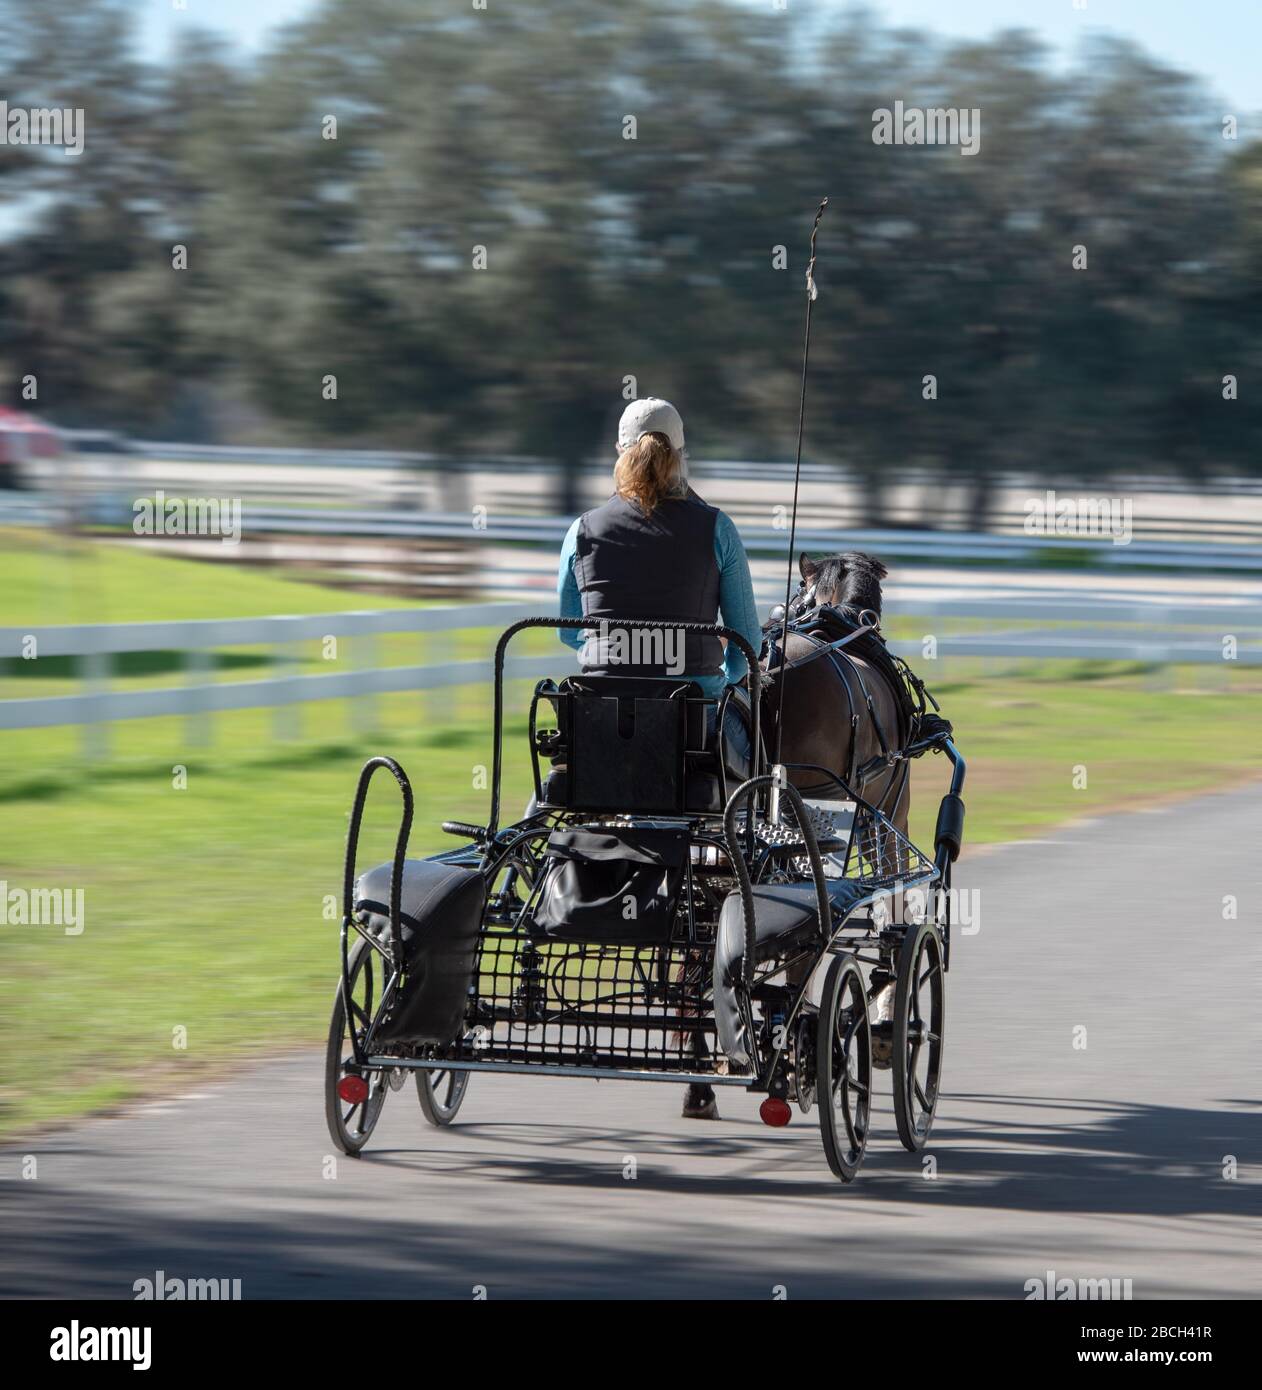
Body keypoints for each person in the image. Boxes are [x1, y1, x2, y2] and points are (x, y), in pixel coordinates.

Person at [556, 397, 763, 1120]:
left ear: (619, 454)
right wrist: (702, 674)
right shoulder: (717, 530)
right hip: (691, 747)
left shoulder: (582, 530)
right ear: (683, 456)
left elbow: (568, 633)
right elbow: (746, 644)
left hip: (597, 743)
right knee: (758, 775)